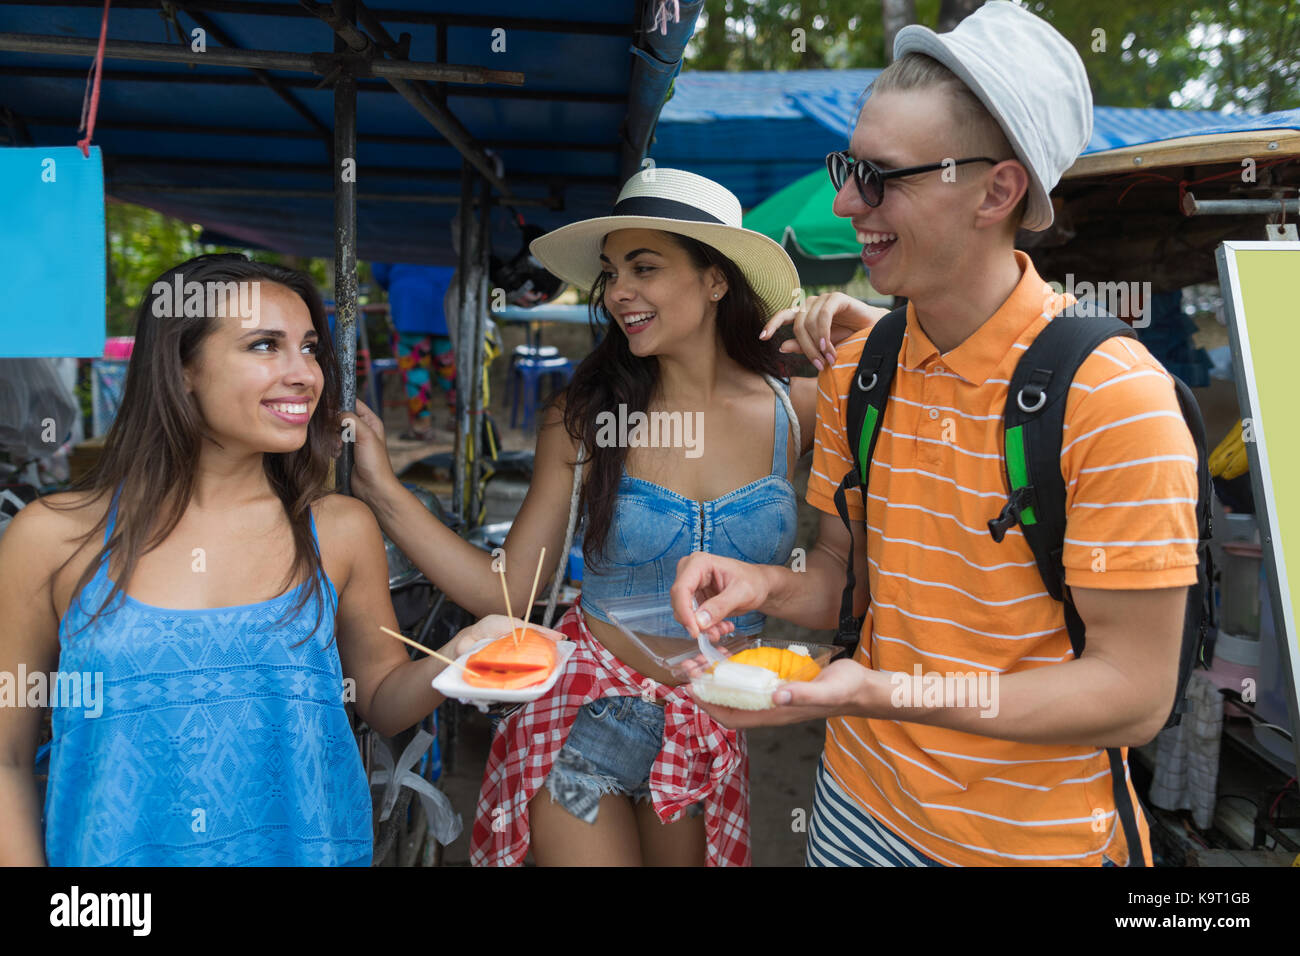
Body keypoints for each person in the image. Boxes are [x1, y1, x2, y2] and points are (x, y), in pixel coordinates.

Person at [670, 2, 1199, 868]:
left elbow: (1134, 693)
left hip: (1025, 844)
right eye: (848, 168)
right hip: (853, 802)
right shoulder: (858, 368)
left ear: (998, 189)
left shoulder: (1112, 398)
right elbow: (847, 584)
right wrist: (760, 586)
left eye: (882, 178)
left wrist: (882, 689)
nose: (846, 204)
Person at [346, 168, 884, 865]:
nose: (620, 291)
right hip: (583, 705)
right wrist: (385, 490)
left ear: (716, 279)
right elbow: (509, 591)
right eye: (611, 272)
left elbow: (848, 582)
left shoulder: (803, 408)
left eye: (645, 267)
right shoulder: (585, 418)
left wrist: (878, 338)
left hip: (712, 716)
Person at [0, 253, 544, 866]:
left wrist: (459, 656)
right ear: (181, 368)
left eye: (310, 348)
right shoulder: (52, 539)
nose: (305, 374)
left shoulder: (336, 529)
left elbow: (383, 700)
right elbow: (7, 758)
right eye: (264, 346)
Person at [370, 262, 458, 440]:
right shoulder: (451, 232)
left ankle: (422, 426)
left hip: (408, 300)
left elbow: (379, 269)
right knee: (450, 368)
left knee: (415, 370)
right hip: (446, 298)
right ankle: (460, 420)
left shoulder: (391, 233)